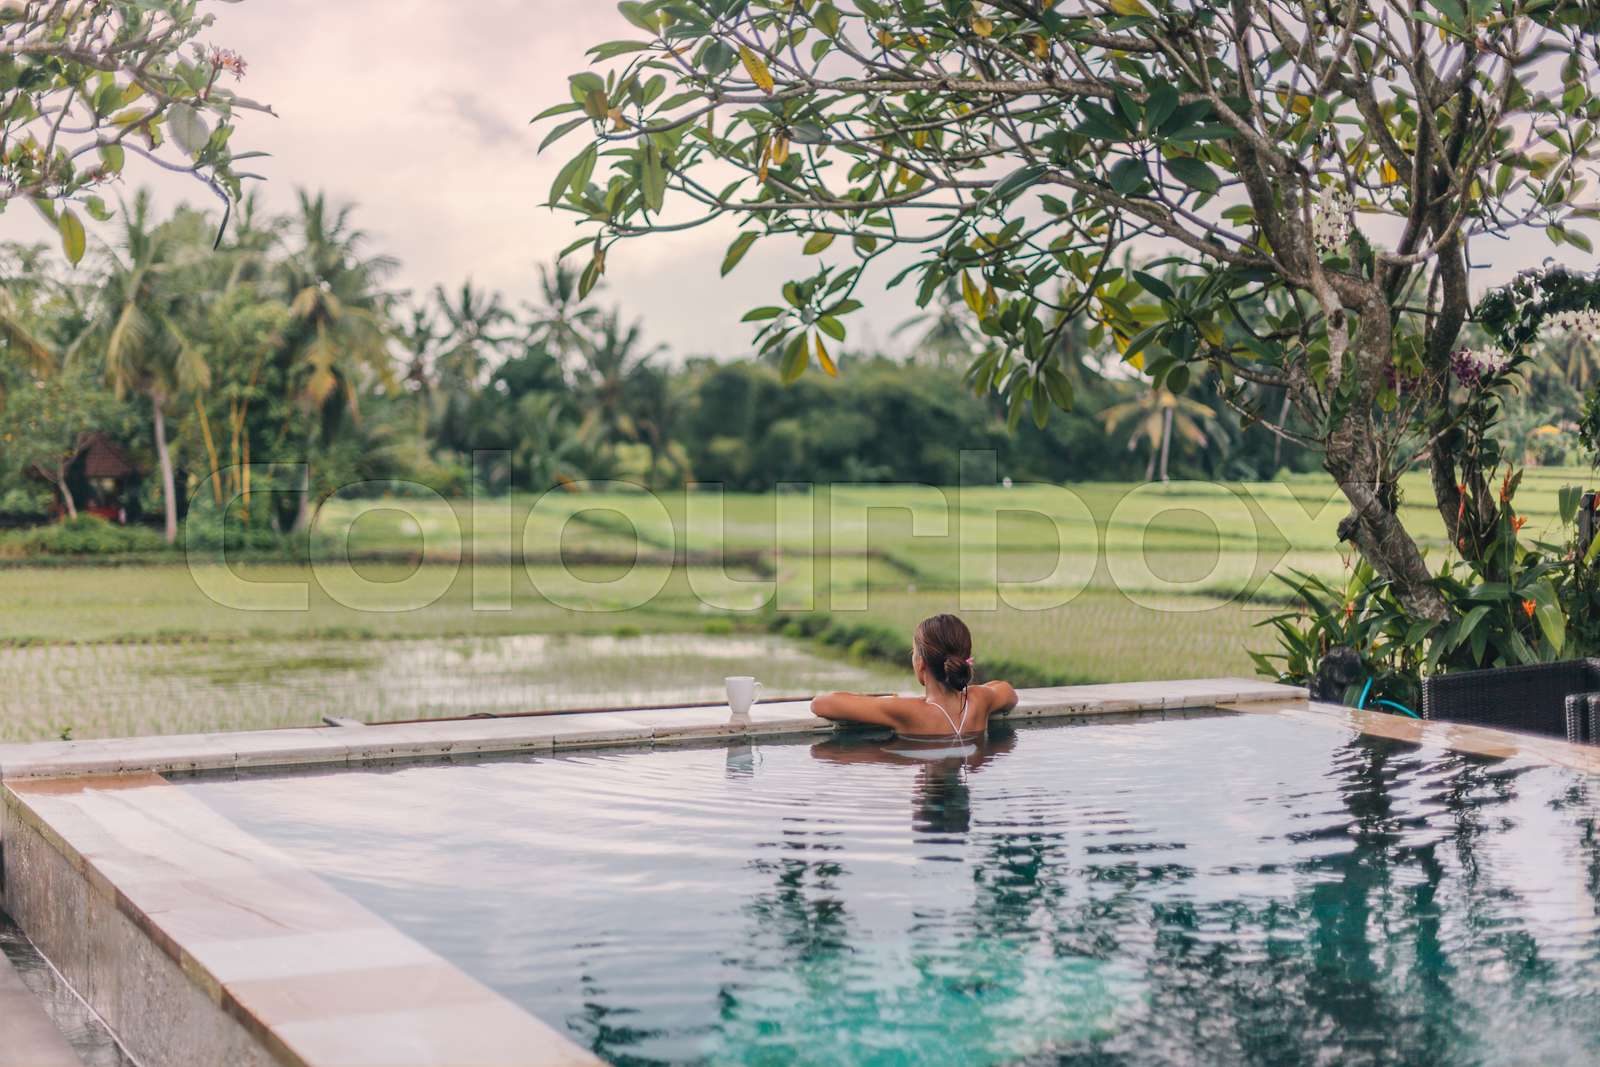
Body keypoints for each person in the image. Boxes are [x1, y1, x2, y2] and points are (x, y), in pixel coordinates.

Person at [810, 613, 1017, 741]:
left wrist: (873, 699)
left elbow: (821, 704)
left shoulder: (905, 710)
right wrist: (975, 690)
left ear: (921, 664)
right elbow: (1008, 692)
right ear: (965, 660)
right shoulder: (980, 700)